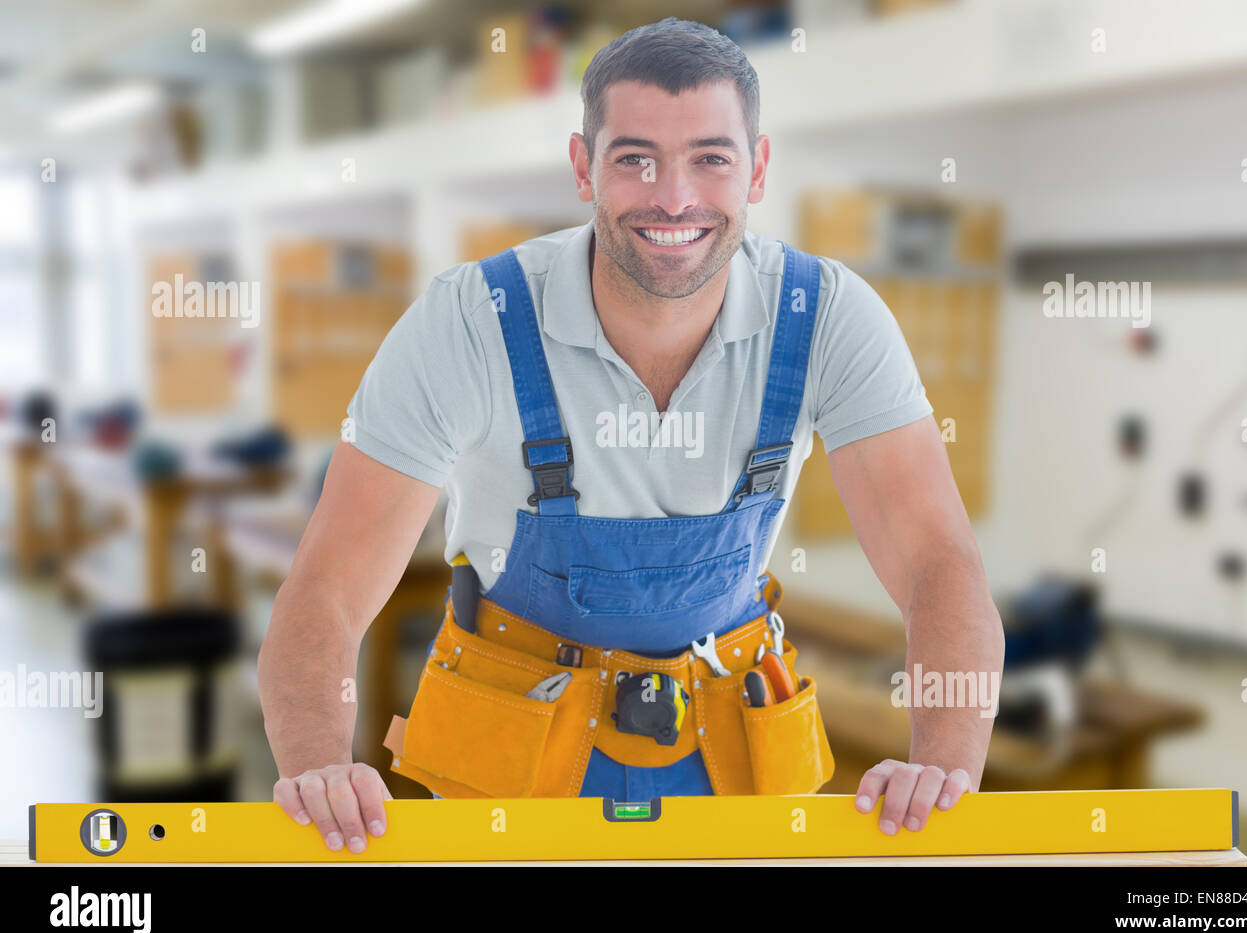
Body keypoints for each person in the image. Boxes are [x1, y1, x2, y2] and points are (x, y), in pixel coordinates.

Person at [259, 17, 1003, 855]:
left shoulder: (825, 316)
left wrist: (946, 769)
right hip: (512, 741)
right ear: (584, 168)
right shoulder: (469, 322)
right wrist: (321, 766)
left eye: (711, 159)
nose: (674, 198)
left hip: (733, 737)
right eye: (635, 158)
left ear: (757, 170)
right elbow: (327, 587)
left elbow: (938, 560)